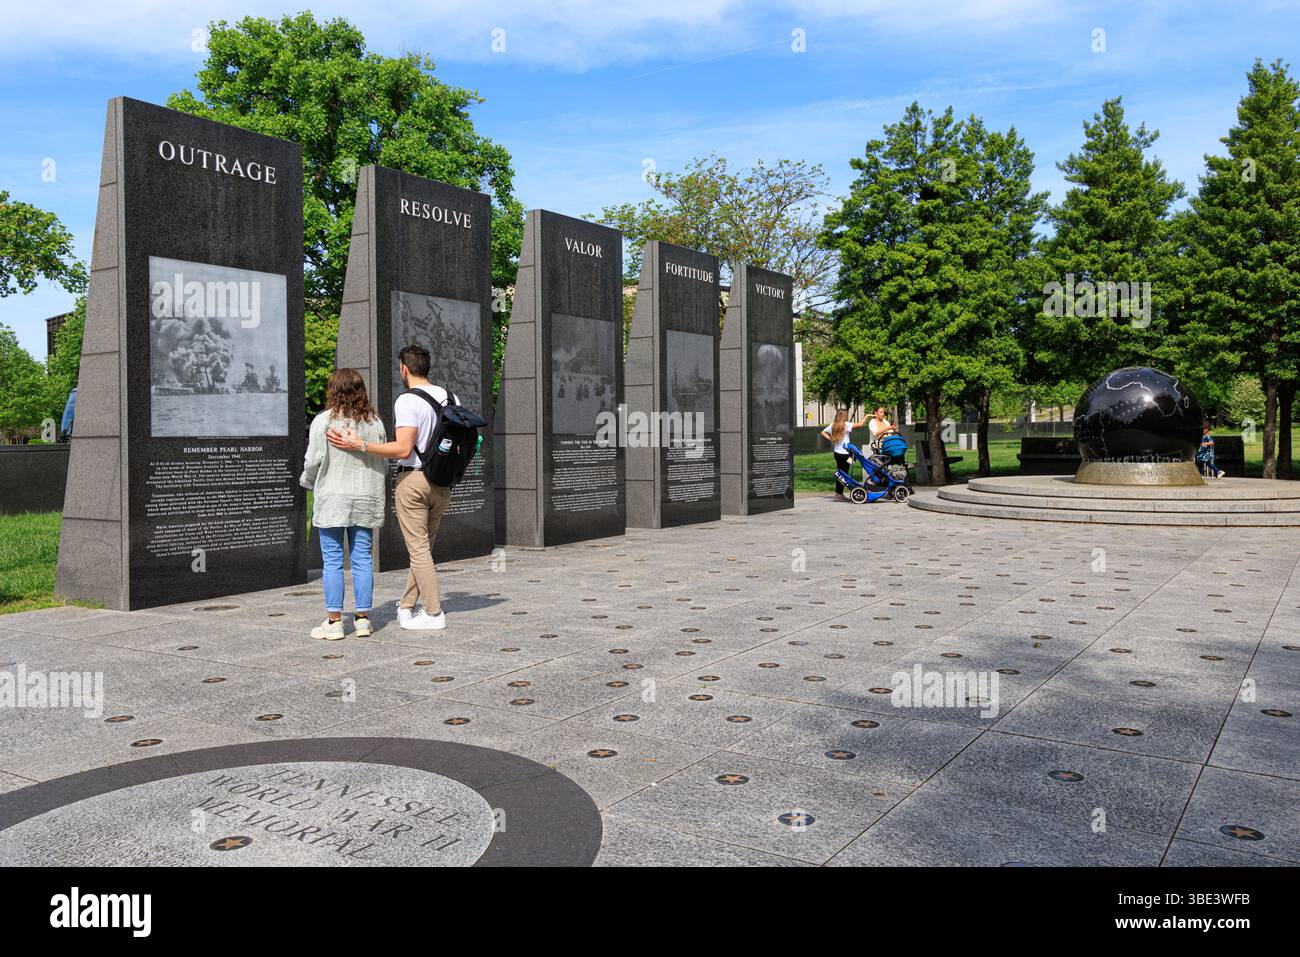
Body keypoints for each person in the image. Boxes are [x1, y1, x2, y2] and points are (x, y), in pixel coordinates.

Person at [327, 345, 454, 631]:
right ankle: (407, 606)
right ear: (427, 367)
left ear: (404, 369)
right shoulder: (449, 397)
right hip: (443, 482)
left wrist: (359, 445)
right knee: (423, 548)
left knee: (419, 549)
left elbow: (402, 448)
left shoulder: (407, 401)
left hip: (414, 481)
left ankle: (434, 613)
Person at [300, 369, 387, 640]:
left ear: (333, 390)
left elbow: (313, 461)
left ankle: (334, 622)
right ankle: (362, 620)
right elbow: (382, 462)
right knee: (362, 559)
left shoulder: (324, 421)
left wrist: (307, 481)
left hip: (333, 498)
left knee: (333, 561)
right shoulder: (375, 423)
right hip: (365, 496)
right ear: (361, 390)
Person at [822, 409, 868, 501]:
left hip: (837, 453)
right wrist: (865, 417)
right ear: (843, 416)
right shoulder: (845, 424)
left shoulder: (833, 425)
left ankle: (838, 494)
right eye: (846, 415)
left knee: (842, 473)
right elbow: (859, 424)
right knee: (844, 474)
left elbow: (822, 432)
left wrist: (831, 439)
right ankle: (839, 495)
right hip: (845, 453)